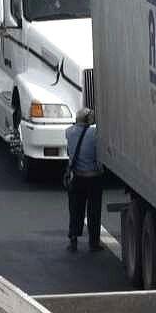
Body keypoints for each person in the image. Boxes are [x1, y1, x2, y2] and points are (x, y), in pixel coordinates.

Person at [65, 109, 104, 254]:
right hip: (93, 178)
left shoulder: (68, 132)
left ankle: (73, 240)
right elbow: (98, 156)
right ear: (88, 119)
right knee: (94, 211)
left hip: (77, 177)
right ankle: (93, 243)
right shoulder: (95, 134)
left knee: (75, 209)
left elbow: (70, 153)